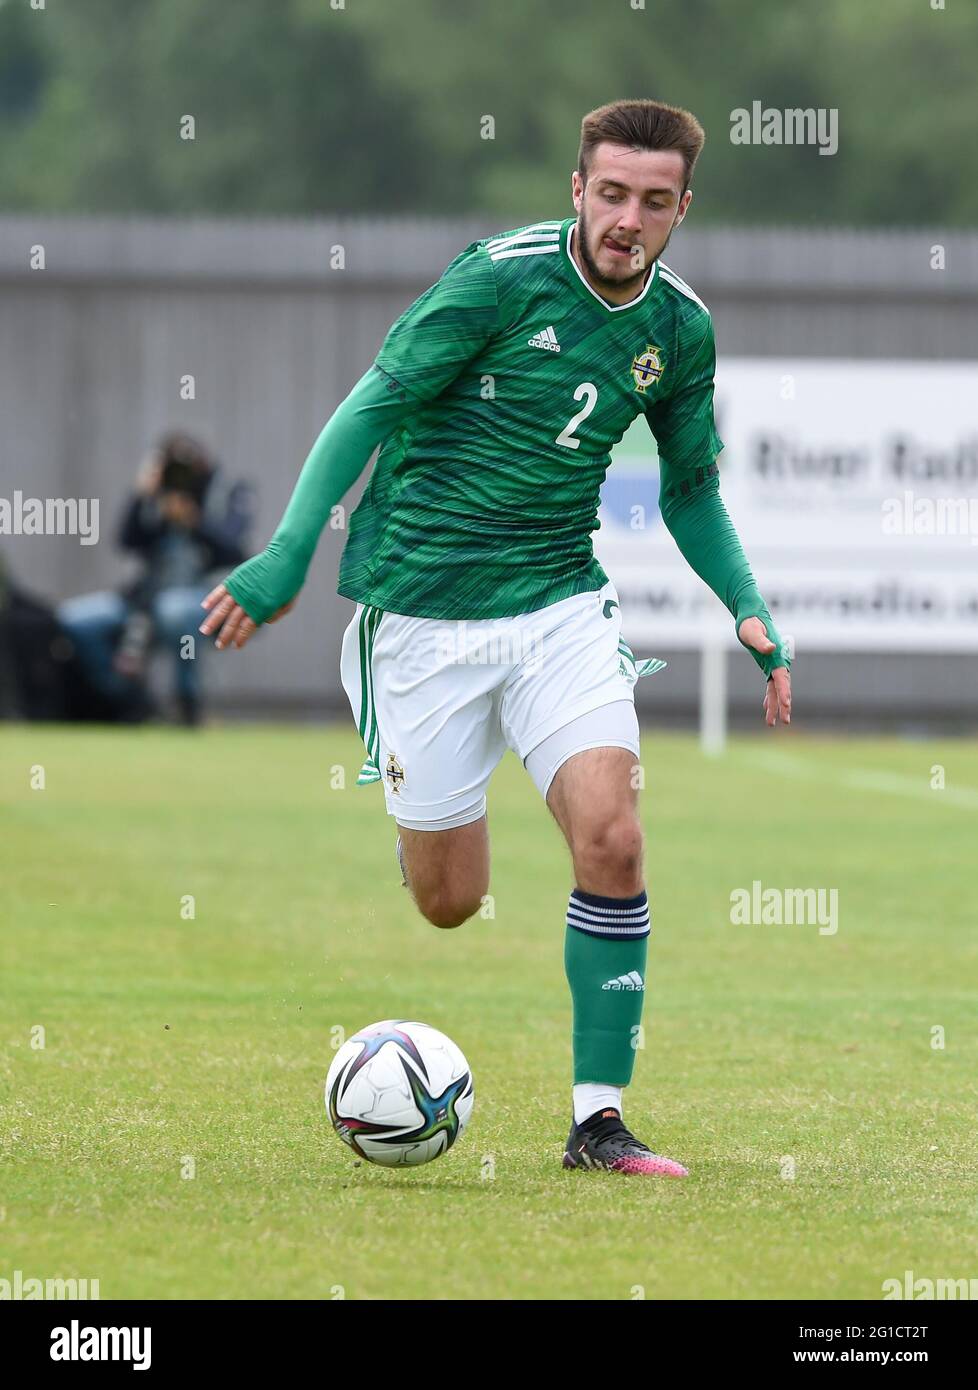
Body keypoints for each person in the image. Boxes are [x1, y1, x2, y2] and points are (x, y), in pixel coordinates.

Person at [200, 99, 792, 1177]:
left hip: (560, 606)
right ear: (577, 189)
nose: (628, 219)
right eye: (610, 194)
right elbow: (370, 407)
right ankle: (418, 811)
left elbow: (693, 488)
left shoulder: (679, 330)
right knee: (450, 901)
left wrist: (745, 603)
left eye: (653, 203)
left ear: (681, 209)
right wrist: (287, 555)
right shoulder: (495, 279)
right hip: (423, 614)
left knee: (612, 839)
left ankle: (599, 1120)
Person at [60, 433, 250, 725]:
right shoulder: (154, 497)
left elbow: (235, 549)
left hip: (206, 598)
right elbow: (125, 541)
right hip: (141, 600)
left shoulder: (227, 492)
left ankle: (188, 705)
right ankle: (127, 700)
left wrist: (194, 521)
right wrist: (141, 496)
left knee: (173, 610)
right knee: (75, 621)